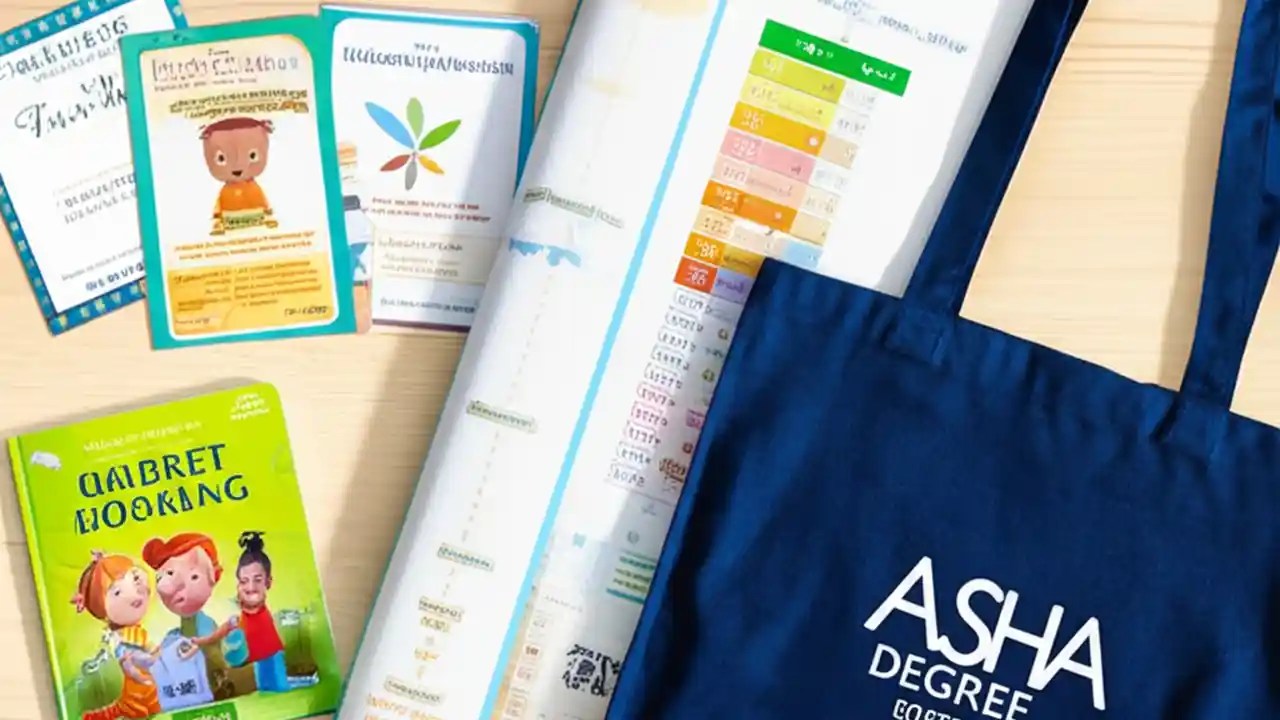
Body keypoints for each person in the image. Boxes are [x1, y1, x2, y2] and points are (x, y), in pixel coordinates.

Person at [141, 533, 239, 700]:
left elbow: (212, 653)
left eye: (193, 577)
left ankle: (217, 685)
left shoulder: (205, 625)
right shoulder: (175, 635)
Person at [195, 532, 290, 692]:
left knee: (278, 688)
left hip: (271, 656)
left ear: (268, 582)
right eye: (244, 581)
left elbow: (251, 608)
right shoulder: (239, 619)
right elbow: (222, 631)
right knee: (264, 691)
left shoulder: (255, 612)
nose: (250, 587)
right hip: (256, 661)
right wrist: (204, 640)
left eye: (258, 580)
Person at [71, 551, 162, 720]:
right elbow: (129, 660)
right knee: (134, 710)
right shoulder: (122, 636)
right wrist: (151, 660)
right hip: (138, 693)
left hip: (149, 689)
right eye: (117, 593)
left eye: (135, 580)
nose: (133, 594)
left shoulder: (136, 630)